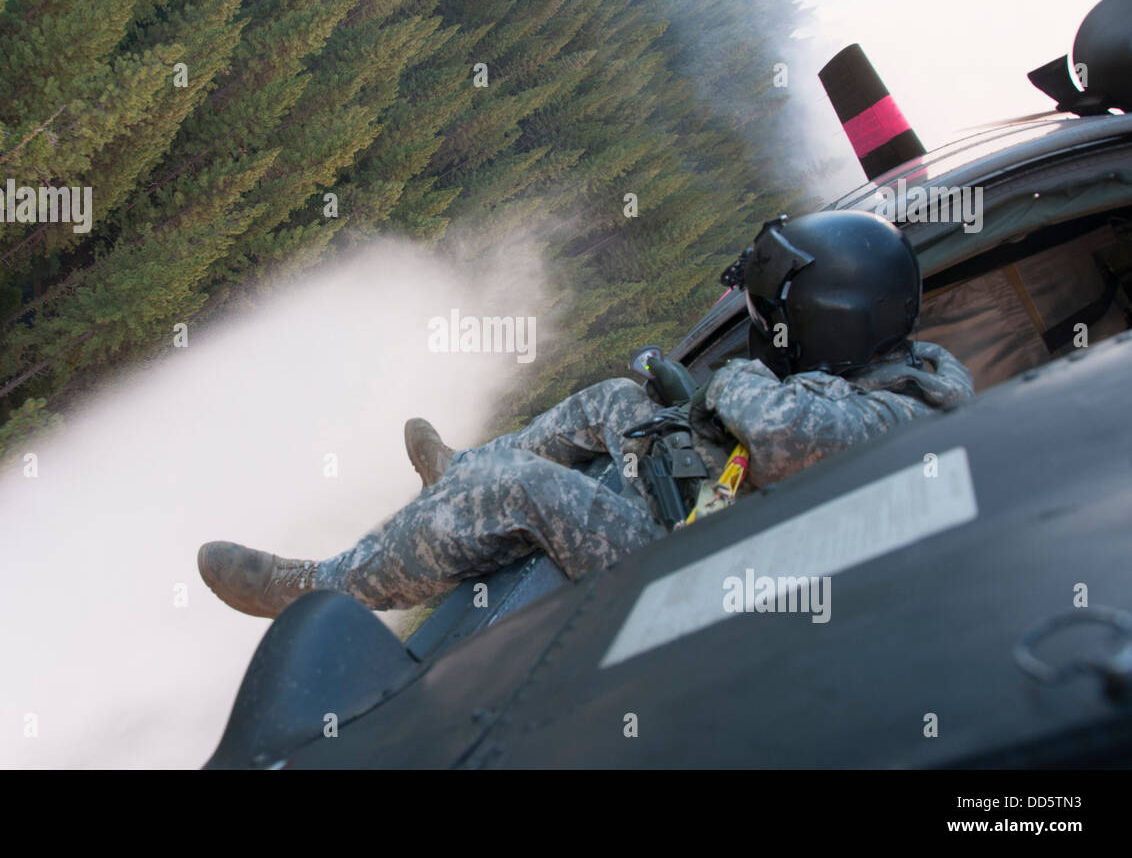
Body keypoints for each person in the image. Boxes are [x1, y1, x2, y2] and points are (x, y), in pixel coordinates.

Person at [197, 210, 976, 618]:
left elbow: (774, 430)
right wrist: (687, 401)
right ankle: (461, 479)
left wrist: (722, 382)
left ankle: (325, 587)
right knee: (616, 399)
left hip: (697, 583)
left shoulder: (890, 421)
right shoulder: (890, 381)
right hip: (717, 509)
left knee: (522, 488)